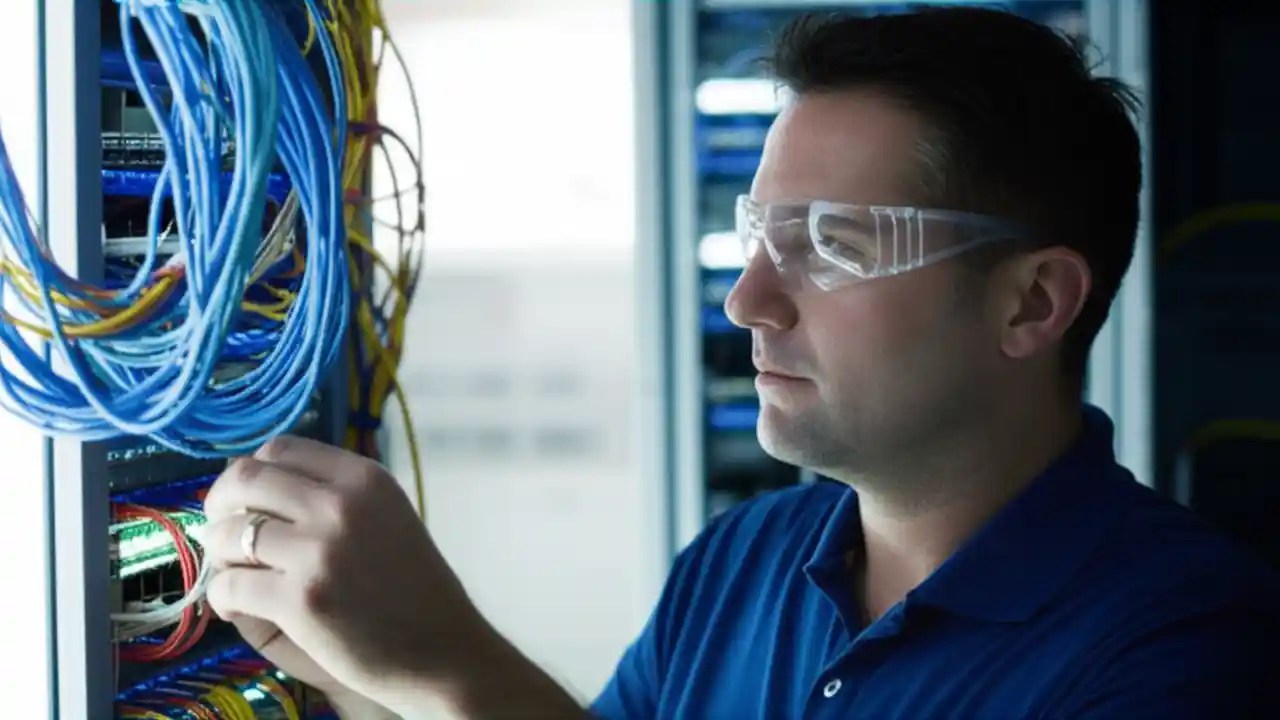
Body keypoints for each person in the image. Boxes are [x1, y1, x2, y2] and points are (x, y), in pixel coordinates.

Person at [198, 7, 1280, 719]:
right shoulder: (743, 560)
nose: (746, 298)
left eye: (833, 245)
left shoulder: (1184, 645)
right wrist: (362, 671)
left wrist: (447, 662)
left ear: (1030, 302)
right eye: (757, 233)